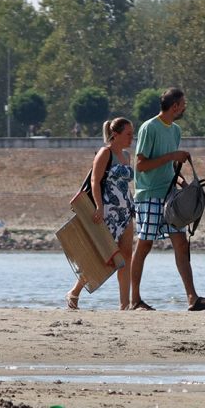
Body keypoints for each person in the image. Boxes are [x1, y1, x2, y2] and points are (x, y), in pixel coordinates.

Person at [128, 87, 205, 312]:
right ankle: (134, 300)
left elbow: (169, 167)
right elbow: (141, 165)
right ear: (175, 106)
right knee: (144, 244)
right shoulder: (150, 128)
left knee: (181, 242)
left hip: (170, 196)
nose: (185, 107)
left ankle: (192, 298)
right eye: (183, 103)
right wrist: (173, 156)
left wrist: (182, 183)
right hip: (149, 195)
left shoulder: (175, 130)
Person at [67, 116, 137, 309]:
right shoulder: (105, 153)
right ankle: (74, 292)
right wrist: (99, 206)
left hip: (125, 211)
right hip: (108, 211)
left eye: (132, 133)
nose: (132, 137)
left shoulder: (127, 156)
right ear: (115, 135)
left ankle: (124, 304)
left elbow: (124, 185)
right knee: (102, 256)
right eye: (128, 134)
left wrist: (132, 206)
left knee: (126, 257)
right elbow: (95, 181)